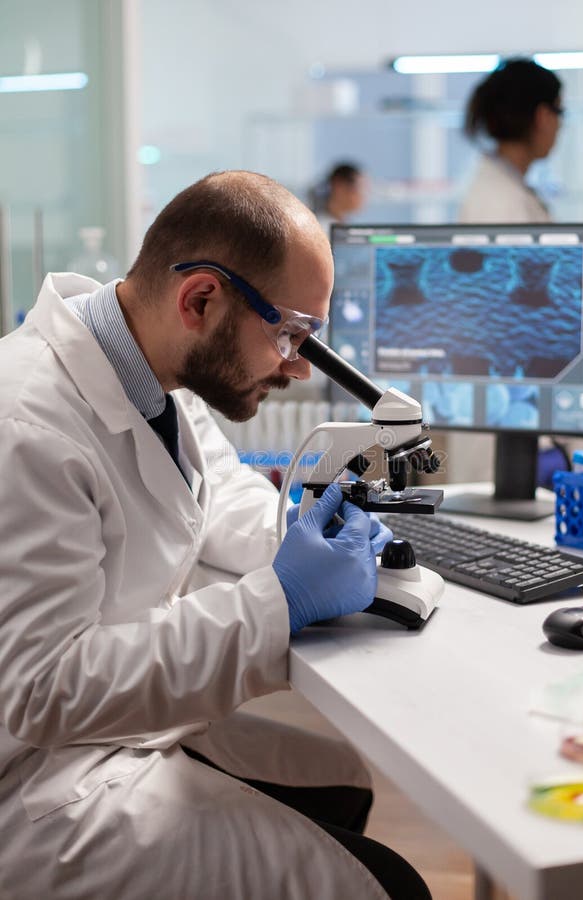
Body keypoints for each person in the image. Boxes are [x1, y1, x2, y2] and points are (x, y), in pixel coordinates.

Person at [0, 171, 431, 900]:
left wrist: (306, 532)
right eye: (289, 334)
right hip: (36, 785)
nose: (297, 367)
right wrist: (280, 601)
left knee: (342, 785)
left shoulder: (149, 370)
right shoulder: (26, 428)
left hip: (107, 733)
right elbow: (43, 692)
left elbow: (216, 499)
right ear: (200, 299)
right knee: (387, 887)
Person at [458, 57, 564, 224]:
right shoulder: (503, 202)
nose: (560, 126)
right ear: (542, 116)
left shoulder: (501, 188)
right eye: (560, 112)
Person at [311, 161, 368, 236]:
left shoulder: (346, 225)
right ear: (339, 186)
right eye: (360, 189)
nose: (364, 196)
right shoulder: (317, 227)